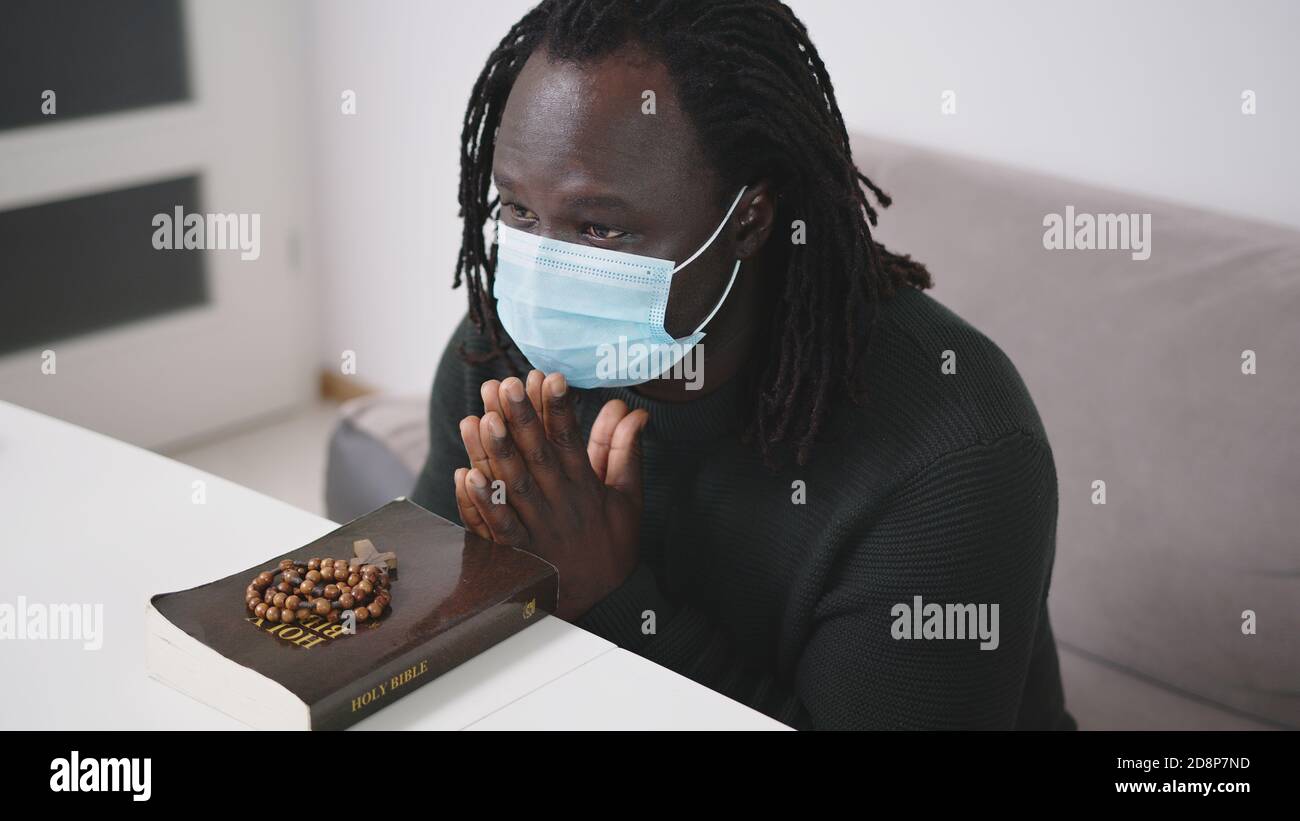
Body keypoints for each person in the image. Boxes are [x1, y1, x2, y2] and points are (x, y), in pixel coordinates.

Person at [411, 0, 1075, 730]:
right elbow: (426, 635)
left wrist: (607, 595)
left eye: (598, 226)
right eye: (519, 213)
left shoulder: (955, 451)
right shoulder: (496, 355)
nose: (541, 272)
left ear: (749, 219)